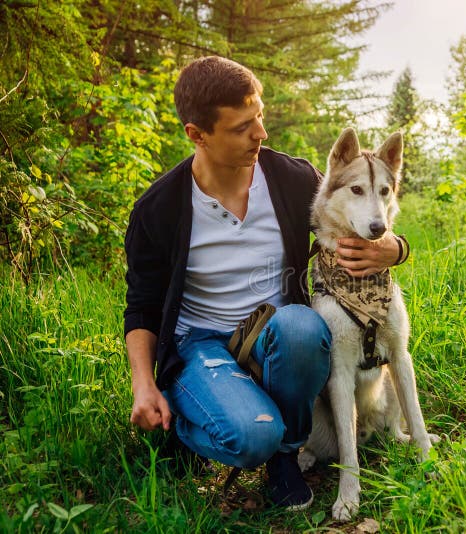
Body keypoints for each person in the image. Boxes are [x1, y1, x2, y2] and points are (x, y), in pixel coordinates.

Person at [123, 56, 406, 510]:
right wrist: (144, 383)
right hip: (202, 343)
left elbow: (354, 217)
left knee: (305, 328)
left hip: (279, 336)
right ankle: (195, 420)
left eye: (260, 117)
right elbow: (142, 306)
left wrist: (397, 247)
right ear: (197, 134)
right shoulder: (159, 209)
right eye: (241, 127)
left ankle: (286, 454)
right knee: (251, 435)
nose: (261, 133)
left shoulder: (292, 180)